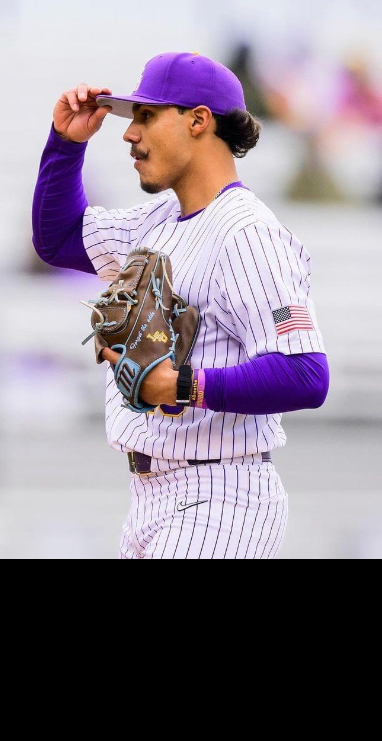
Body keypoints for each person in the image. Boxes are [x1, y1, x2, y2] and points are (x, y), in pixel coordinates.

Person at [32, 53, 330, 559]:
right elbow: (58, 239)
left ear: (198, 120)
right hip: (154, 497)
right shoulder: (161, 219)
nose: (130, 133)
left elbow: (306, 373)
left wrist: (183, 384)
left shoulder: (246, 233)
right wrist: (66, 145)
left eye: (147, 116)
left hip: (220, 498)